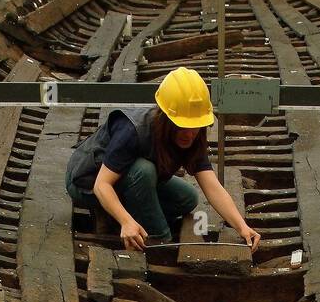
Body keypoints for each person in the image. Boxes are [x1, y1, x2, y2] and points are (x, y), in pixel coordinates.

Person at [65, 66, 261, 254]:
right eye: (183, 126)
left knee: (187, 198)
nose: (190, 133)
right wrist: (126, 221)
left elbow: (212, 186)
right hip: (86, 183)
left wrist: (242, 227)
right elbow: (102, 185)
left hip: (125, 180)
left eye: (195, 126)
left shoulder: (193, 135)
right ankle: (157, 237)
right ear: (166, 118)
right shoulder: (132, 130)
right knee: (143, 170)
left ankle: (115, 215)